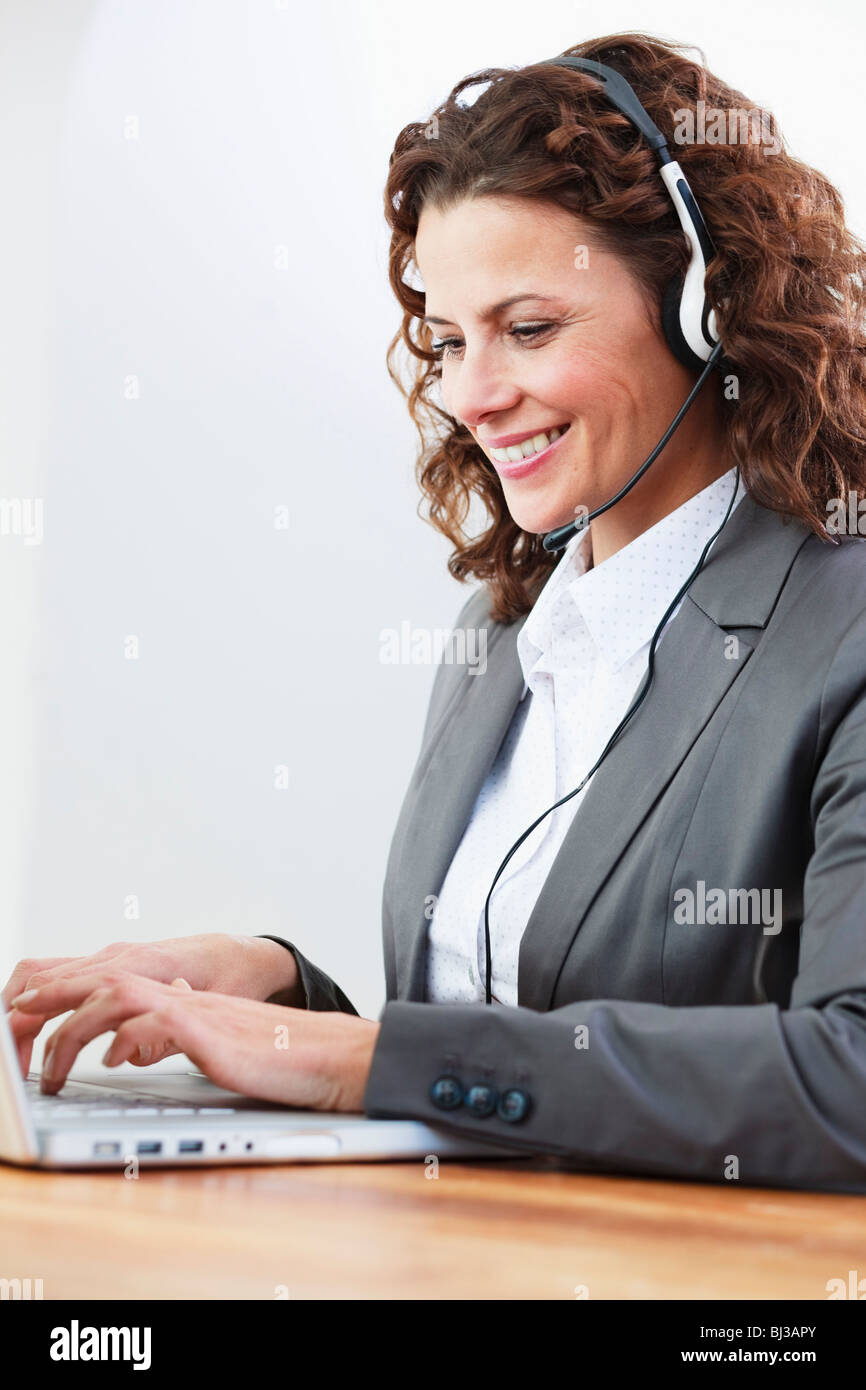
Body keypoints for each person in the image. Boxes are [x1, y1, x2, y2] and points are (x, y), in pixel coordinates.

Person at [5, 32, 866, 1191]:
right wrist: (280, 993)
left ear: (703, 309)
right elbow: (495, 1051)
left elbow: (847, 1080)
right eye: (450, 340)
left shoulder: (840, 623)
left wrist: (368, 1057)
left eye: (528, 328)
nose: (469, 393)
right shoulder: (502, 636)